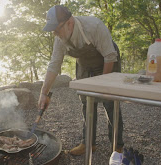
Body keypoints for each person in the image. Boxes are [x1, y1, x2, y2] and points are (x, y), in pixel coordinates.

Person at [38, 5, 124, 155]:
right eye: (53, 31)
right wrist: (44, 93)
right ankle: (89, 143)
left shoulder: (94, 26)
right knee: (87, 102)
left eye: (56, 30)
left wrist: (102, 85)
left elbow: (110, 56)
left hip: (107, 60)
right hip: (84, 64)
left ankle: (117, 145)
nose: (55, 34)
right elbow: (54, 65)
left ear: (69, 23)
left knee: (110, 102)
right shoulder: (60, 39)